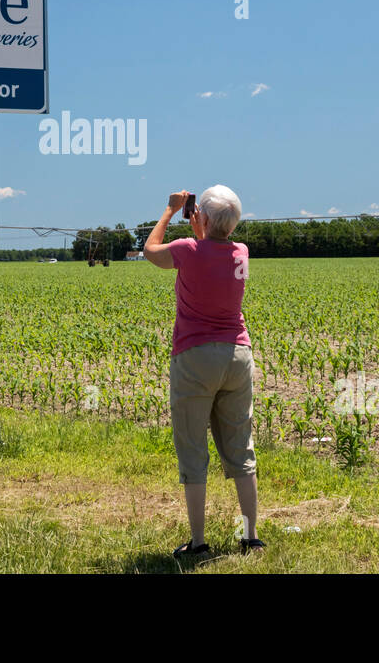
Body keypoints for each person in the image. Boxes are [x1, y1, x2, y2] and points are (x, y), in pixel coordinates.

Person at [143, 185, 263, 557]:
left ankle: (198, 543)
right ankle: (250, 537)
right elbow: (214, 253)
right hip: (237, 356)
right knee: (241, 452)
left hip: (195, 357)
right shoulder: (241, 252)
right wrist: (204, 231)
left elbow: (150, 252)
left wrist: (169, 209)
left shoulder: (187, 251)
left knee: (194, 452)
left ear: (204, 218)